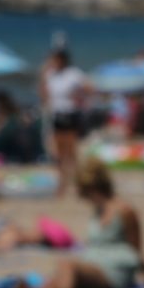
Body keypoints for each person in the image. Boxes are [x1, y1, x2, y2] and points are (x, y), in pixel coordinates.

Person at [15, 156, 144, 288]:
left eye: (85, 192)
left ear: (94, 188)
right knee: (61, 269)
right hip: (95, 265)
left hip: (115, 271)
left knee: (67, 265)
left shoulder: (125, 211)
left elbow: (136, 251)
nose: (84, 198)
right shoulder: (97, 212)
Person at [41, 47, 90, 198]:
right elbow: (44, 93)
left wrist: (77, 97)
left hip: (70, 114)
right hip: (57, 115)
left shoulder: (73, 74)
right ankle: (62, 184)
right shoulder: (50, 74)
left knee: (71, 153)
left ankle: (78, 185)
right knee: (59, 154)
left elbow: (89, 87)